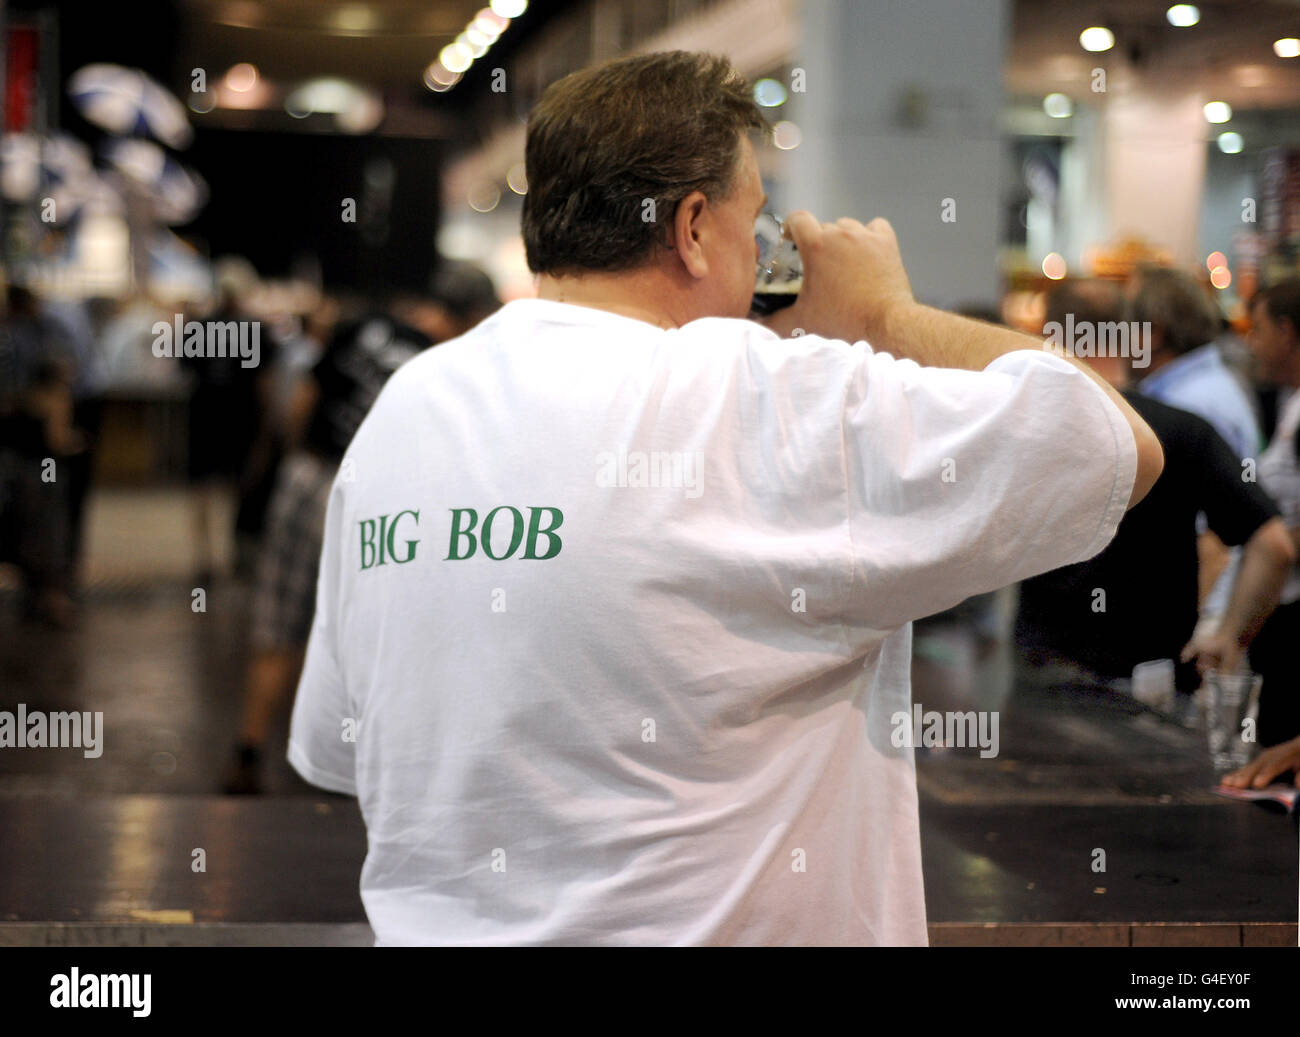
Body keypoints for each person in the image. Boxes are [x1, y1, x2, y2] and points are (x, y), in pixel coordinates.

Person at [287, 50, 1163, 945]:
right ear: (695, 228)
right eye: (757, 228)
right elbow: (1114, 444)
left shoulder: (408, 408)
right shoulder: (754, 390)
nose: (762, 264)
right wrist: (884, 316)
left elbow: (337, 747)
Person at [1016, 280, 1293, 706]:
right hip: (1151, 688)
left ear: (1050, 337)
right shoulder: (1183, 431)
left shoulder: (1024, 426)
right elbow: (1273, 546)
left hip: (1038, 678)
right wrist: (1229, 638)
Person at [223, 292, 447, 793]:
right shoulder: (435, 354)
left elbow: (301, 404)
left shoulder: (358, 325)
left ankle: (249, 748)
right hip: (379, 490)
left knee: (279, 620)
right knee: (368, 628)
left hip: (310, 476)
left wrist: (295, 458)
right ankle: (352, 759)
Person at [1230, 278, 1300, 764]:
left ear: (1287, 330)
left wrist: (1272, 542)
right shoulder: (1291, 403)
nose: (1251, 344)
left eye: (1258, 330)